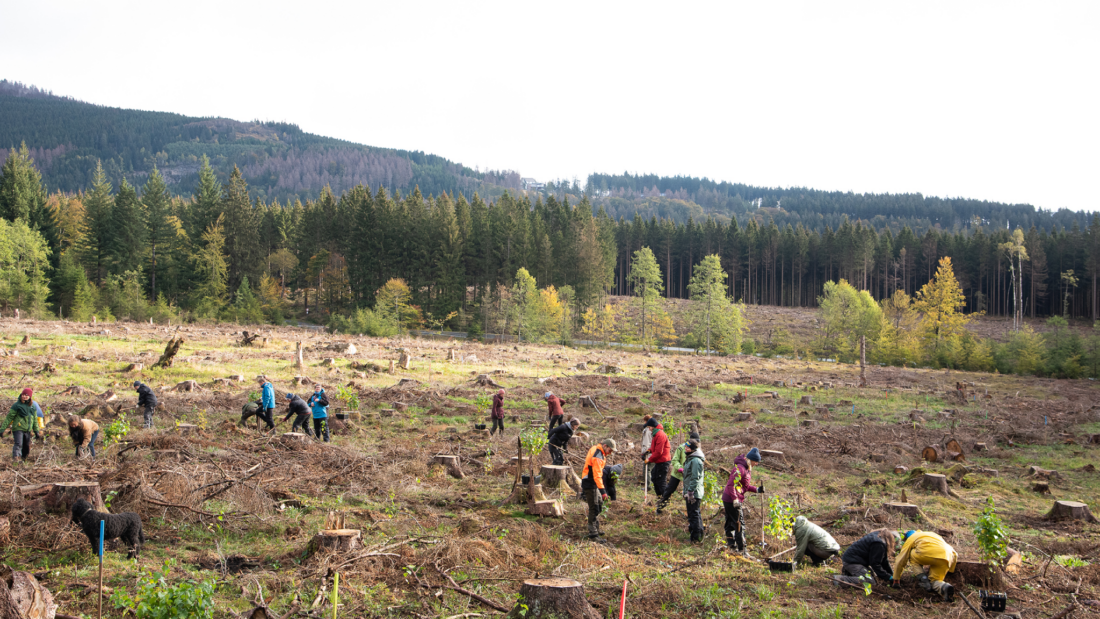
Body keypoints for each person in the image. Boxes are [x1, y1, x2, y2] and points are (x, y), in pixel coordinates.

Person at [892, 530, 957, 602]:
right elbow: (955, 554)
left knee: (910, 554)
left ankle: (923, 580)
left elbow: (901, 559)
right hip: (946, 557)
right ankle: (944, 587)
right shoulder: (933, 535)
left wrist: (896, 579)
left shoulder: (911, 538)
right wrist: (950, 571)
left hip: (925, 555)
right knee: (935, 580)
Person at [722, 447, 763, 553]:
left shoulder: (747, 469)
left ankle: (732, 546)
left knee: (732, 522)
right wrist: (735, 499)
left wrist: (757, 490)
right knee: (739, 523)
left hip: (732, 498)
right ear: (750, 459)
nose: (756, 464)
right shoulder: (739, 468)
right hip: (731, 500)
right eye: (756, 461)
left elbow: (745, 486)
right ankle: (742, 549)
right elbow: (731, 485)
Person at [833, 529, 899, 587]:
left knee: (872, 576)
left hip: (854, 560)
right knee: (869, 581)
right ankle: (840, 579)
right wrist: (888, 577)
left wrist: (892, 575)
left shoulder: (879, 537)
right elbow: (875, 564)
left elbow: (884, 562)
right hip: (852, 562)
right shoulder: (879, 544)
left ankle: (849, 573)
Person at [581, 437, 617, 542]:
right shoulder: (598, 456)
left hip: (592, 481)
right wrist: (603, 492)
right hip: (590, 482)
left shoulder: (597, 449)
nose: (610, 453)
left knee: (599, 503)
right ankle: (593, 534)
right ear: (605, 446)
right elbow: (597, 475)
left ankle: (596, 527)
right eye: (610, 450)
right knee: (594, 508)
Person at [656, 431, 699, 514]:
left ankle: (692, 513)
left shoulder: (697, 450)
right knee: (669, 490)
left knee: (690, 493)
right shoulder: (681, 448)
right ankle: (660, 507)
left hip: (689, 475)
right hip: (678, 473)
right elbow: (675, 460)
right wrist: (680, 468)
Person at [1, 388, 38, 462]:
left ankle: (24, 460)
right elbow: (9, 417)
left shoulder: (33, 406)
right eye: (23, 394)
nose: (24, 396)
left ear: (30, 396)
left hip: (27, 429)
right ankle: (16, 459)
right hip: (18, 428)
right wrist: (2, 429)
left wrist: (36, 431)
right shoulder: (16, 405)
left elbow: (35, 420)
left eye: (26, 395)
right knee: (18, 444)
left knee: (26, 446)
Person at [681, 439, 706, 542]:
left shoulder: (695, 461)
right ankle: (698, 535)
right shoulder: (691, 458)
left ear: (692, 449)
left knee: (693, 515)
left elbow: (695, 478)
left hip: (694, 493)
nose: (685, 449)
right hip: (690, 491)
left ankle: (695, 538)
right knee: (694, 513)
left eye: (687, 447)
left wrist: (690, 492)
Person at [644, 418, 671, 500]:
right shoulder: (655, 434)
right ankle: (659, 496)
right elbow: (655, 447)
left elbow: (659, 452)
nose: (649, 429)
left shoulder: (660, 435)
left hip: (663, 461)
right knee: (654, 478)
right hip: (659, 461)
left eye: (649, 427)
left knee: (661, 481)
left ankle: (665, 499)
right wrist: (650, 450)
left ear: (653, 426)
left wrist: (650, 459)